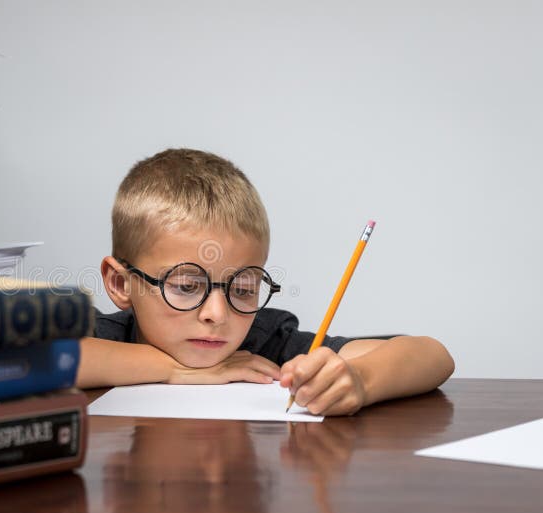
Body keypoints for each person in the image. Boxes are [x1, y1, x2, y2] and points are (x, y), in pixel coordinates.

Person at [76, 148, 454, 415]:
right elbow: (29, 359)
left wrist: (360, 381)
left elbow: (432, 355)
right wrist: (177, 370)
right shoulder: (103, 336)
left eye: (242, 289)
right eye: (187, 286)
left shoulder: (266, 345)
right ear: (122, 284)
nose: (217, 314)